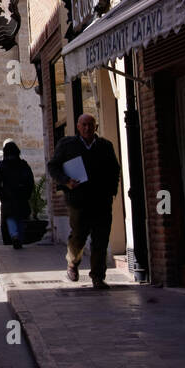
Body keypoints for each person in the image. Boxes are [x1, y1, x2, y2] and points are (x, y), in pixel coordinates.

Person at [49, 114, 120, 289]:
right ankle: (73, 262)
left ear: (95, 127)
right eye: (84, 125)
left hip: (102, 201)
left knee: (101, 239)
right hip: (78, 201)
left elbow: (114, 169)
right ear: (78, 127)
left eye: (91, 125)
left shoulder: (105, 146)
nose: (87, 128)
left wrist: (111, 191)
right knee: (78, 237)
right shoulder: (67, 145)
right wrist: (66, 181)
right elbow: (53, 166)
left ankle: (98, 277)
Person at [0, 140, 34, 250]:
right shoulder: (23, 165)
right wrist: (27, 194)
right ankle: (18, 238)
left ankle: (14, 236)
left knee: (10, 218)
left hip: (8, 197)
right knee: (20, 218)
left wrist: (1, 195)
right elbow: (30, 181)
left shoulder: (2, 165)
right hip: (21, 196)